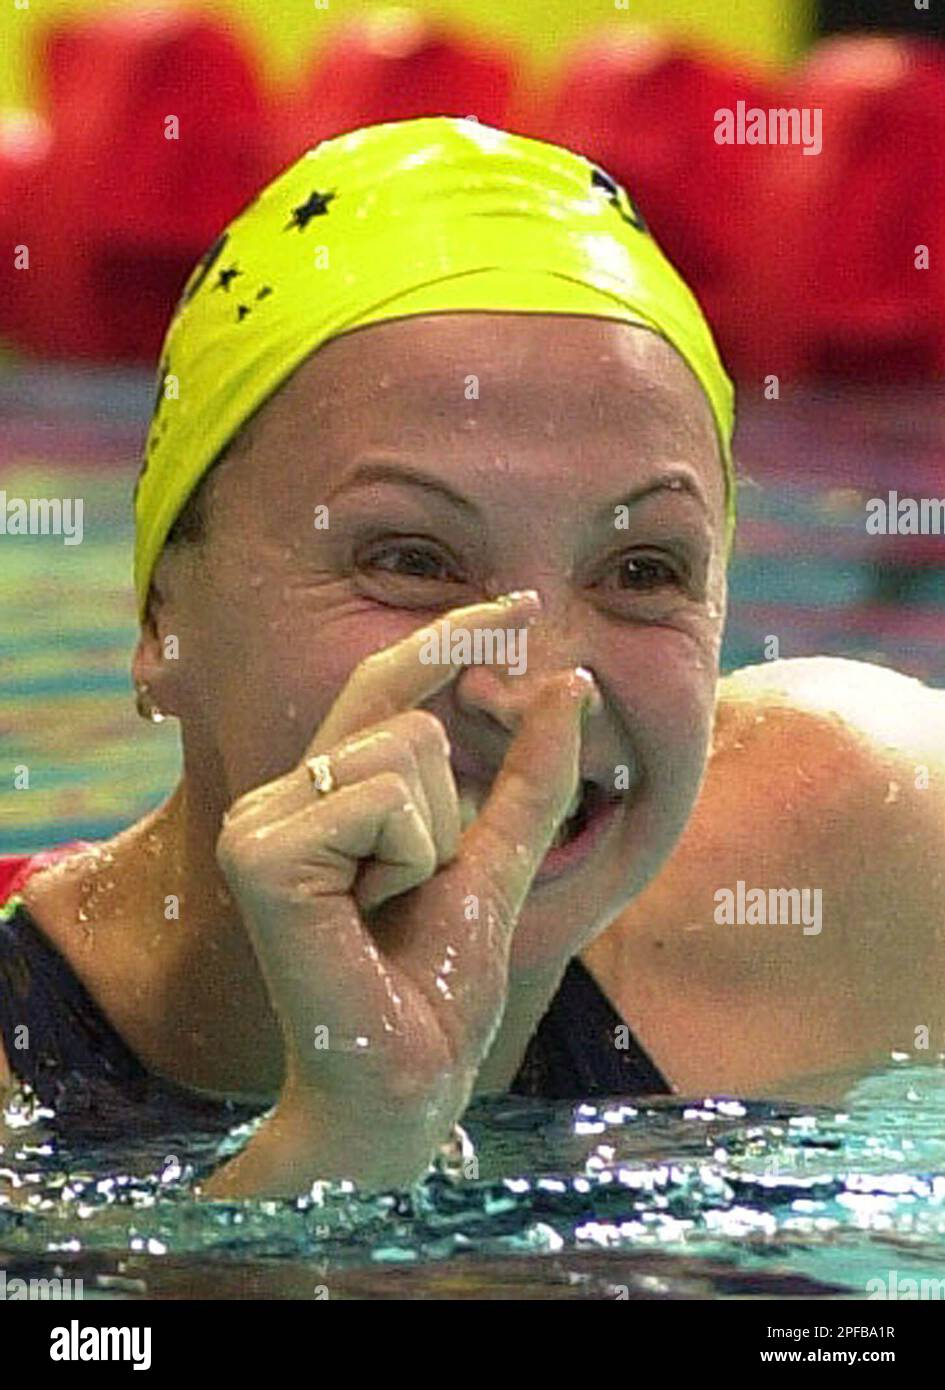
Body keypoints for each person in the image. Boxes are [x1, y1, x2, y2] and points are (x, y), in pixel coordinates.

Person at [1, 118, 943, 1199]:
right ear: (162, 617)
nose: (536, 684)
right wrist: (346, 1149)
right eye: (410, 559)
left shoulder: (865, 850)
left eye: (641, 570)